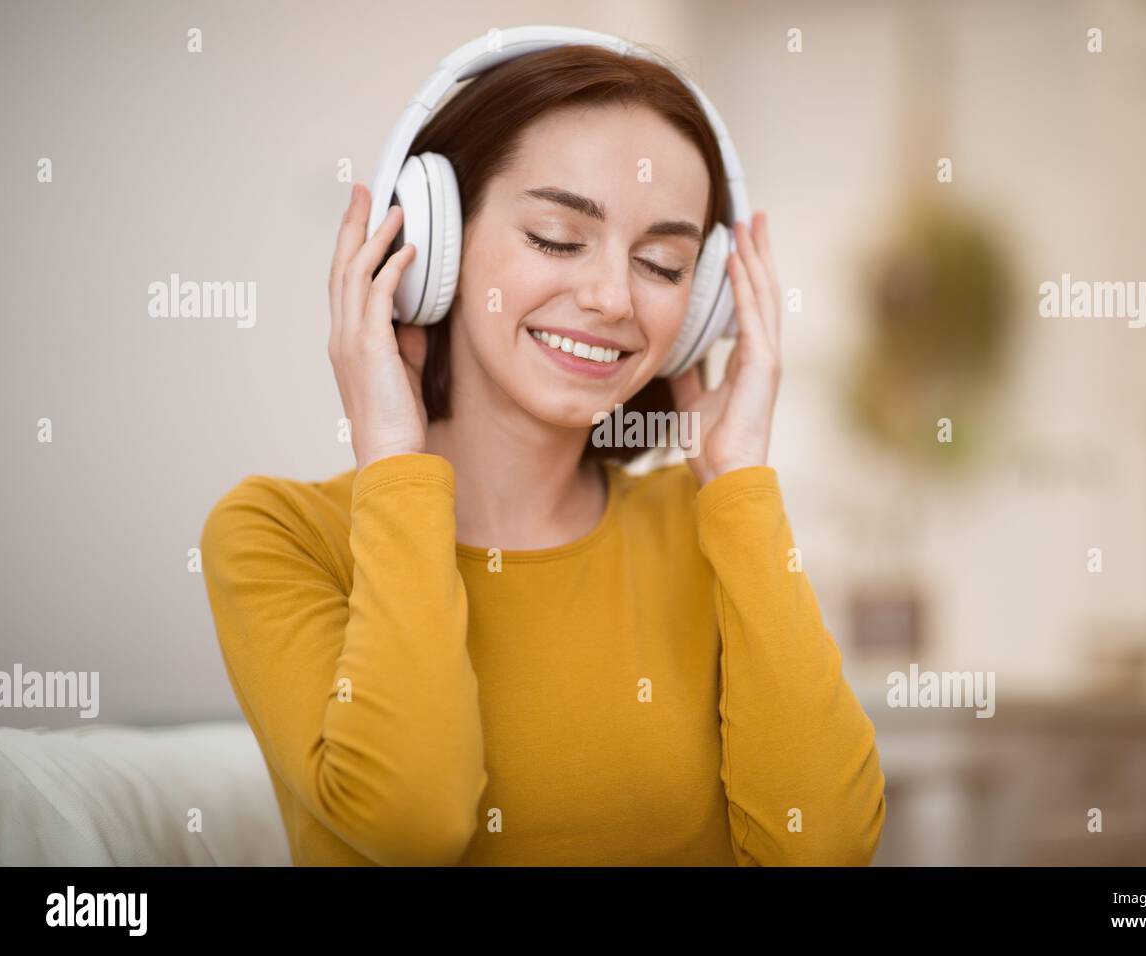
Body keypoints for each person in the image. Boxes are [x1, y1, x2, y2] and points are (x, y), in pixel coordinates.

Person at [200, 42, 885, 866]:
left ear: (702, 307)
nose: (611, 298)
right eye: (559, 238)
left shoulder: (704, 530)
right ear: (433, 244)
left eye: (662, 264)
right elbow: (413, 823)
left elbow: (828, 849)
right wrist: (391, 457)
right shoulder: (279, 534)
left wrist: (738, 481)